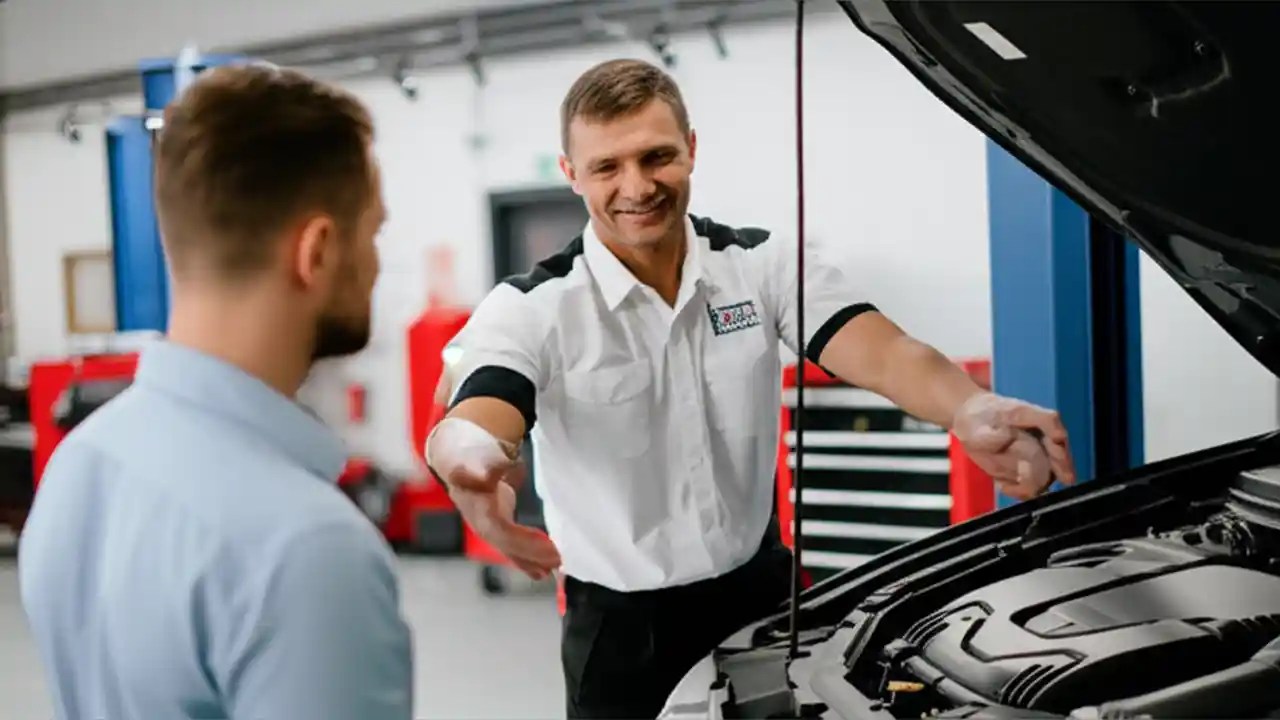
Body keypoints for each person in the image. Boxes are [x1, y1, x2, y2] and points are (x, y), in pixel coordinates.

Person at [425, 58, 1077, 719]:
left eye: (657, 157)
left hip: (762, 600)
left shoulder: (761, 267)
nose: (637, 186)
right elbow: (482, 408)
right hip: (622, 631)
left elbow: (883, 351)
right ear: (571, 174)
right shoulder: (535, 306)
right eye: (607, 167)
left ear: (692, 149)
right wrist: (472, 471)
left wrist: (970, 407)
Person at [18, 63, 413, 720]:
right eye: (372, 232)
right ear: (316, 251)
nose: (375, 265)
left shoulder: (80, 465)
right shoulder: (308, 550)